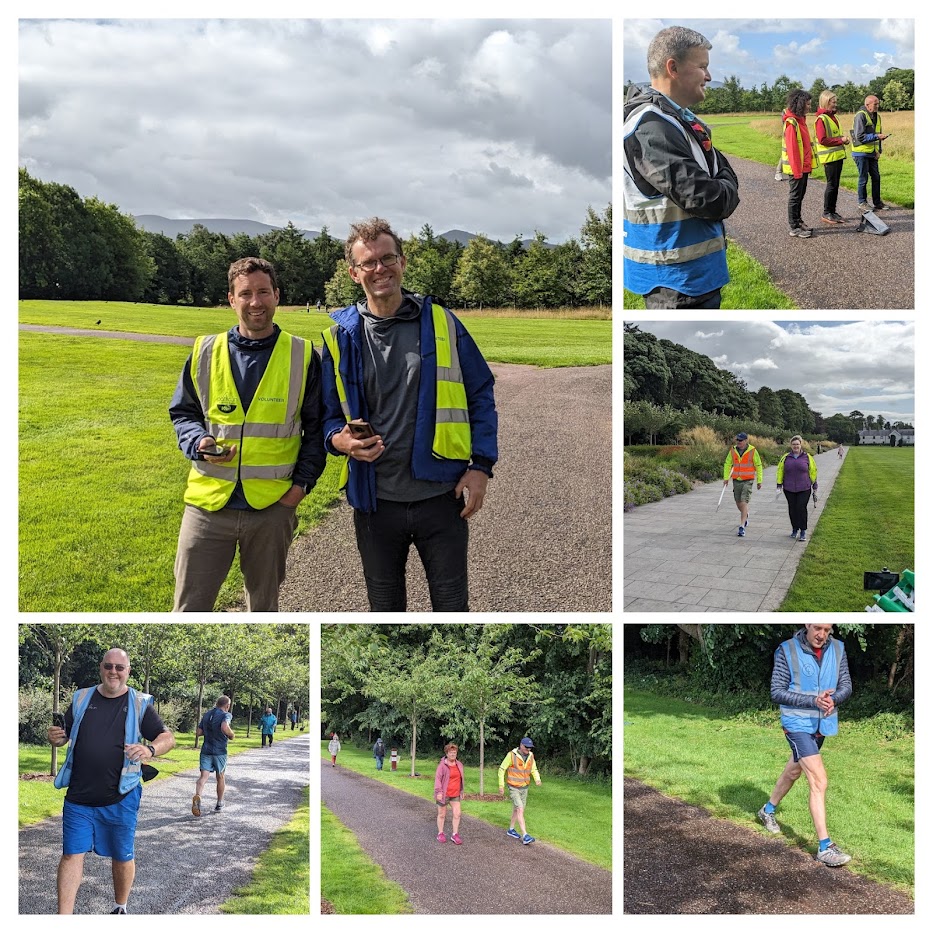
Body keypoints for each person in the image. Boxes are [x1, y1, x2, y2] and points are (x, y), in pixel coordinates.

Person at [320, 218, 498, 612]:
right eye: (368, 263)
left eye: (388, 258)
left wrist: (481, 466)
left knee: (453, 612)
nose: (379, 269)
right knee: (384, 614)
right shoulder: (340, 339)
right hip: (375, 500)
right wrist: (340, 440)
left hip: (440, 495)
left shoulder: (442, 322)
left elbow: (480, 392)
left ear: (402, 262)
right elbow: (327, 418)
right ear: (354, 273)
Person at [169, 256, 326, 612]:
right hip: (208, 506)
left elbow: (316, 430)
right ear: (231, 299)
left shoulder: (302, 355)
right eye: (245, 294)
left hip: (272, 507)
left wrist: (299, 490)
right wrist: (198, 441)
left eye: (263, 292)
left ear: (277, 296)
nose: (255, 302)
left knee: (264, 612)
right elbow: (183, 413)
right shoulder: (204, 351)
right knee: (188, 611)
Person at [46, 648, 175, 915]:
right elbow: (63, 736)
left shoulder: (139, 703)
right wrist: (56, 737)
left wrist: (150, 750)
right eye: (108, 666)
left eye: (119, 667)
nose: (113, 672)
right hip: (79, 796)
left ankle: (120, 907)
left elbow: (167, 737)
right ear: (100, 668)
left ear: (128, 671)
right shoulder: (82, 698)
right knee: (71, 854)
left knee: (122, 855)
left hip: (121, 796)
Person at [623, 26, 740, 309]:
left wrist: (722, 179)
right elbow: (708, 199)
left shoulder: (676, 119)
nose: (709, 77)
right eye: (702, 66)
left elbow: (718, 168)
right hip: (675, 282)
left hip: (691, 277)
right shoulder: (652, 128)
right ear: (672, 67)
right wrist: (727, 185)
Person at [757, 624, 853, 867]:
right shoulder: (786, 650)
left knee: (794, 770)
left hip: (821, 724)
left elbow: (846, 686)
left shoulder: (839, 649)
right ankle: (825, 847)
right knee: (819, 780)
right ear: (807, 625)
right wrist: (814, 701)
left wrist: (833, 699)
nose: (822, 635)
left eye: (828, 629)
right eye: (818, 628)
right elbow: (776, 692)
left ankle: (767, 810)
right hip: (796, 723)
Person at [192, 695, 234, 816]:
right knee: (220, 776)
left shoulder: (206, 715)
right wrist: (231, 735)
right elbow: (225, 727)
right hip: (219, 751)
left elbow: (198, 732)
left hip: (206, 750)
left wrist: (209, 730)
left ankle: (198, 797)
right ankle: (219, 803)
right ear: (227, 705)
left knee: (203, 777)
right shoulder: (226, 715)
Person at [813, 90, 850, 224]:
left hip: (837, 156)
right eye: (833, 102)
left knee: (835, 185)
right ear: (826, 102)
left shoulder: (832, 117)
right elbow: (822, 140)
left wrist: (842, 139)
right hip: (829, 158)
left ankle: (832, 211)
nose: (836, 104)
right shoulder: (821, 119)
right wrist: (841, 140)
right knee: (831, 185)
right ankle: (827, 212)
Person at [782, 89, 815, 238]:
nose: (809, 107)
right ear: (800, 104)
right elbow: (793, 151)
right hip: (797, 168)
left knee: (800, 196)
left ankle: (798, 221)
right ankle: (794, 226)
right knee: (795, 197)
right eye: (807, 104)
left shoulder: (801, 121)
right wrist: (797, 172)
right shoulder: (791, 123)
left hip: (803, 167)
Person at [498, 736, 541, 845]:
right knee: (520, 809)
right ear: (521, 745)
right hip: (513, 787)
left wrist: (537, 779)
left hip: (524, 787)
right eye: (526, 747)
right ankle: (525, 835)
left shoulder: (531, 756)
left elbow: (533, 769)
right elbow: (502, 769)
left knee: (517, 810)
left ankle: (511, 829)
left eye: (530, 748)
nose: (528, 750)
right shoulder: (511, 755)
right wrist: (501, 785)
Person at [851, 96, 891, 213]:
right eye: (875, 104)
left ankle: (877, 202)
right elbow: (860, 136)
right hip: (861, 152)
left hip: (872, 153)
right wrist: (876, 136)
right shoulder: (860, 115)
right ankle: (862, 202)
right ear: (868, 104)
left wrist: (879, 150)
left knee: (876, 177)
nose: (878, 106)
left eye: (878, 104)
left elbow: (878, 134)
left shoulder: (877, 116)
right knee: (863, 178)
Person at [776, 435, 818, 542]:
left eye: (797, 444)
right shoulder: (786, 457)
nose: (796, 446)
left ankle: (803, 530)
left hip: (804, 488)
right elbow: (780, 471)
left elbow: (813, 471)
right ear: (791, 445)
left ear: (801, 445)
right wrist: (779, 485)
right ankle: (795, 529)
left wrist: (815, 485)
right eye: (793, 444)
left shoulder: (807, 457)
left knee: (801, 508)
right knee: (792, 509)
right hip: (789, 488)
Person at [722, 432, 762, 537]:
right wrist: (726, 478)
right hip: (736, 480)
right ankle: (746, 514)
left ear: (745, 441)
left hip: (748, 480)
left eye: (741, 440)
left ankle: (742, 526)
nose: (738, 442)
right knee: (738, 502)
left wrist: (759, 480)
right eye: (737, 440)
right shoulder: (733, 450)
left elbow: (758, 465)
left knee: (744, 501)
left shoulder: (753, 451)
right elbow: (727, 464)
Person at [434, 743, 465, 845]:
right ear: (446, 753)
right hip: (444, 794)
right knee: (442, 814)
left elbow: (461, 779)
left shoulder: (459, 765)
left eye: (454, 753)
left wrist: (462, 791)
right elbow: (438, 779)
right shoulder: (442, 766)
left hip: (455, 794)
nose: (453, 755)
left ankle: (455, 834)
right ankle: (440, 833)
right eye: (451, 753)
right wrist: (439, 792)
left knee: (457, 814)